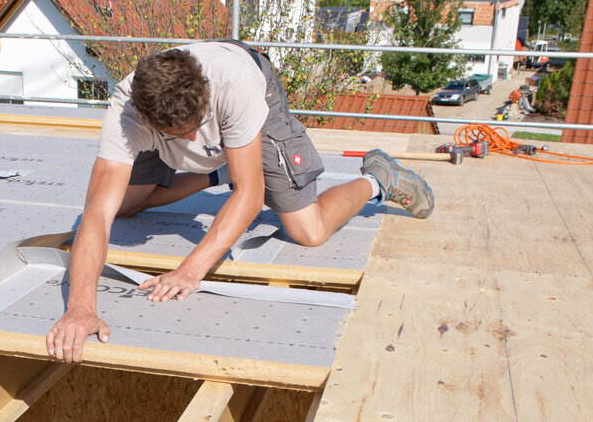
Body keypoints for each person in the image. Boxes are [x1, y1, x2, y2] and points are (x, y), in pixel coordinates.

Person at [46, 40, 434, 363]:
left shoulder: (236, 86)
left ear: (204, 95)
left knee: (308, 230)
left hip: (251, 89)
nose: (198, 142)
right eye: (183, 135)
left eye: (199, 127)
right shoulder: (126, 114)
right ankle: (220, 172)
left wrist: (192, 269)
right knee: (126, 203)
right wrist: (80, 307)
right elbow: (97, 212)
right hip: (171, 114)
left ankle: (378, 178)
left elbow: (251, 196)